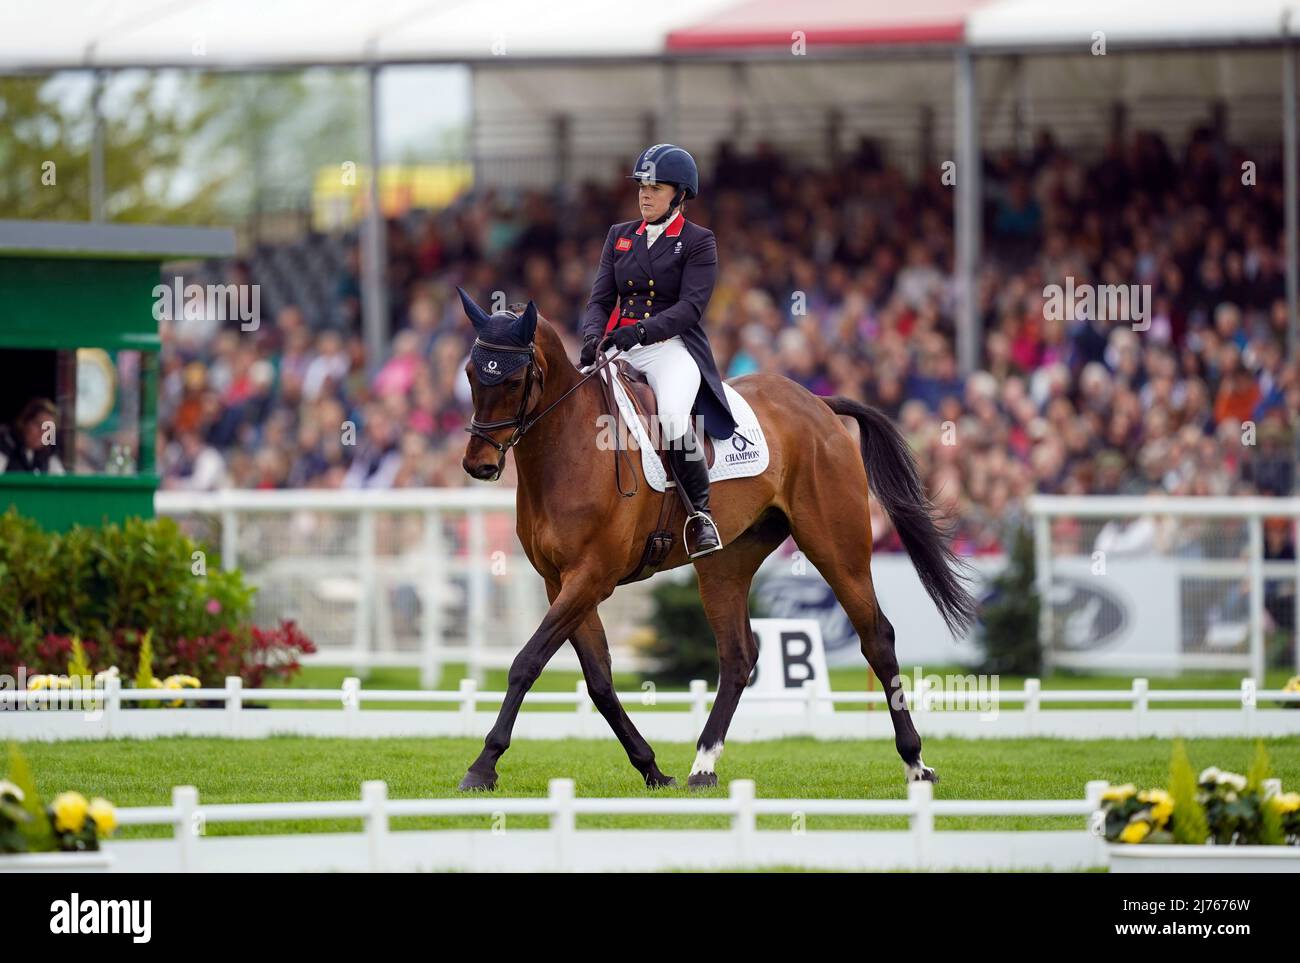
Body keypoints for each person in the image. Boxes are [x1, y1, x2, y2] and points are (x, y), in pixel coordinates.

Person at [579, 144, 737, 558]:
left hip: (669, 348)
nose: (645, 195)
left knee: (669, 416)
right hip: (619, 348)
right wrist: (592, 337)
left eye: (656, 188)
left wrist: (641, 332)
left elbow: (691, 308)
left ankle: (700, 516)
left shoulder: (698, 241)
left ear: (679, 194)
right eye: (642, 187)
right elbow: (600, 300)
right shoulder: (620, 236)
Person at [0, 397, 65, 475]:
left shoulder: (48, 455)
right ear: (24, 423)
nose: (42, 432)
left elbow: (60, 482)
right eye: (38, 424)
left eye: (48, 428)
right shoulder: (5, 445)